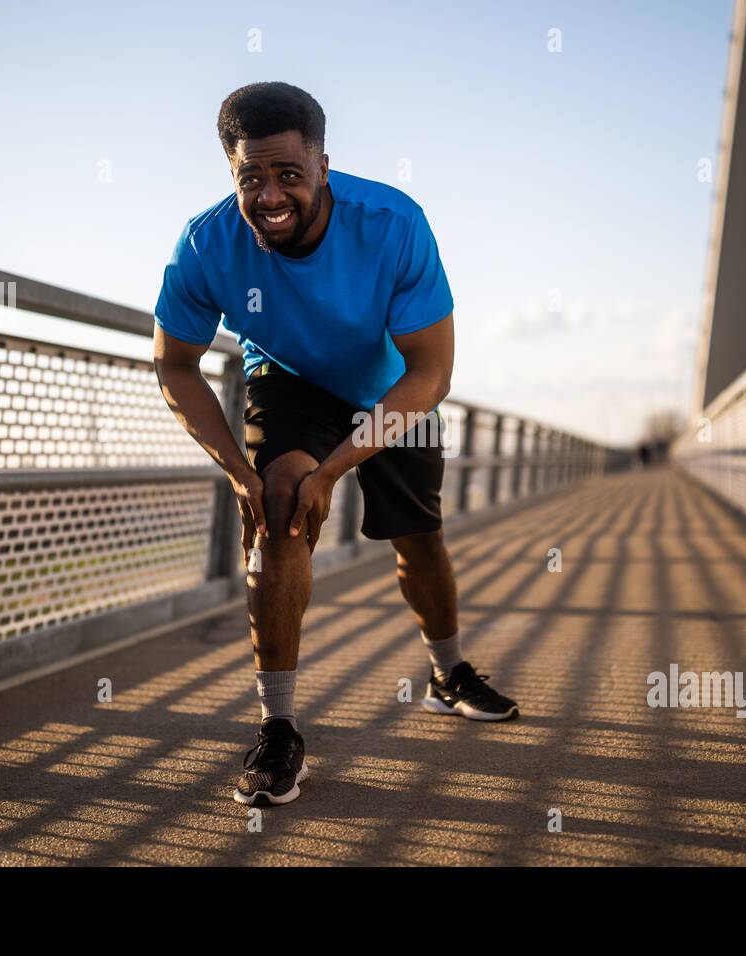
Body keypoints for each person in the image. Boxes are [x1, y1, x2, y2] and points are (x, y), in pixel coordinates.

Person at [153, 82, 518, 807]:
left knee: (418, 541)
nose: (269, 195)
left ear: (323, 165)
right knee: (281, 500)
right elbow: (174, 363)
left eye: (288, 173)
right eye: (249, 177)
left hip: (392, 387)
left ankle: (447, 672)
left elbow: (432, 372)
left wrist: (342, 464)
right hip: (289, 380)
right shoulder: (205, 242)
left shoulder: (392, 223)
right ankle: (279, 727)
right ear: (231, 174)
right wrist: (237, 471)